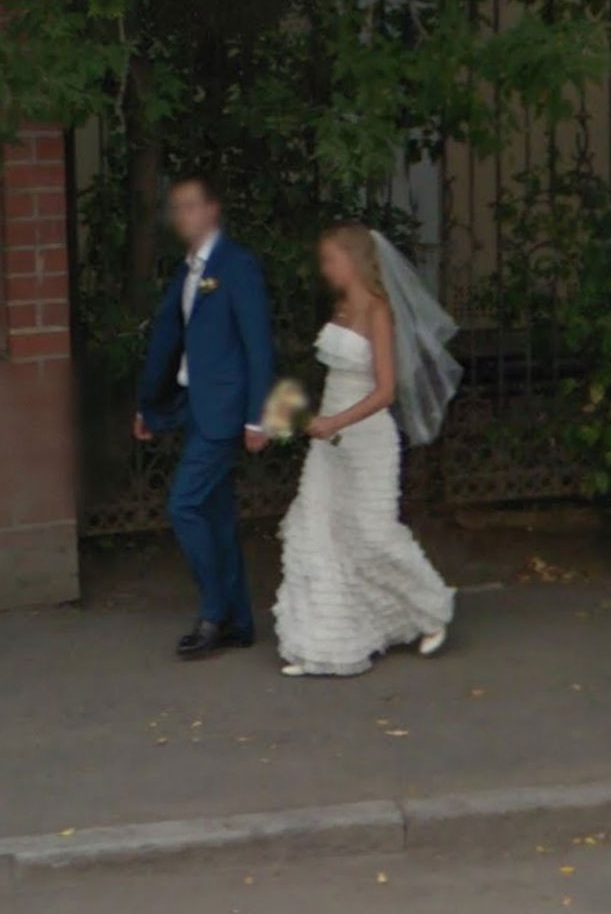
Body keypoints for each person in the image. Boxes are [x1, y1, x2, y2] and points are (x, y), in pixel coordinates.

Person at [273, 224, 461, 677]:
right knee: (319, 529)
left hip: (367, 439)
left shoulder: (379, 311)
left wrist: (336, 421)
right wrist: (316, 418)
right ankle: (322, 645)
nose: (325, 269)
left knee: (373, 533)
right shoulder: (340, 308)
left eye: (330, 259)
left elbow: (385, 391)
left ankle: (430, 610)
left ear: (353, 261)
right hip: (330, 443)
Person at [135, 176, 276, 659]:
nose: (182, 215)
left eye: (191, 205)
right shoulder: (188, 270)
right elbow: (170, 342)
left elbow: (258, 346)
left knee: (184, 505)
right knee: (215, 516)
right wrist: (150, 407)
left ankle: (213, 613)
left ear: (213, 210)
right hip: (192, 407)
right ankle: (238, 622)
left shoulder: (236, 266)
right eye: (176, 207)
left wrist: (258, 417)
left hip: (225, 412)